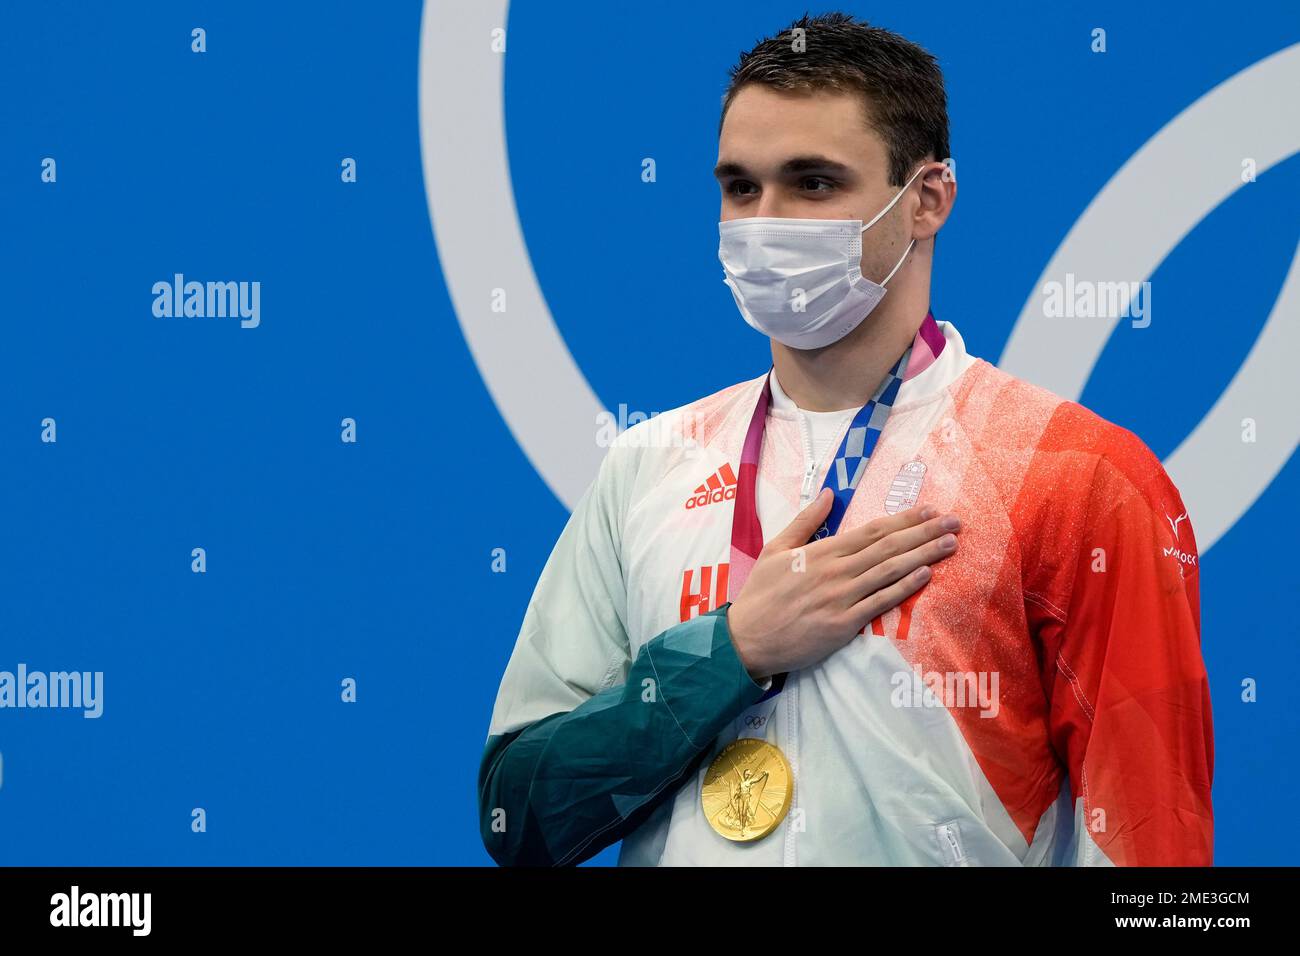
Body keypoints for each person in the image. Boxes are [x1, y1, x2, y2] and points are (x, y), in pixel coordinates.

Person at [477, 11, 1213, 866]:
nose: (764, 222)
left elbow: (1159, 865)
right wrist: (730, 652)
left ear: (928, 199)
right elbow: (518, 817)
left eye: (813, 184)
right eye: (740, 188)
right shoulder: (649, 464)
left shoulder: (1076, 474)